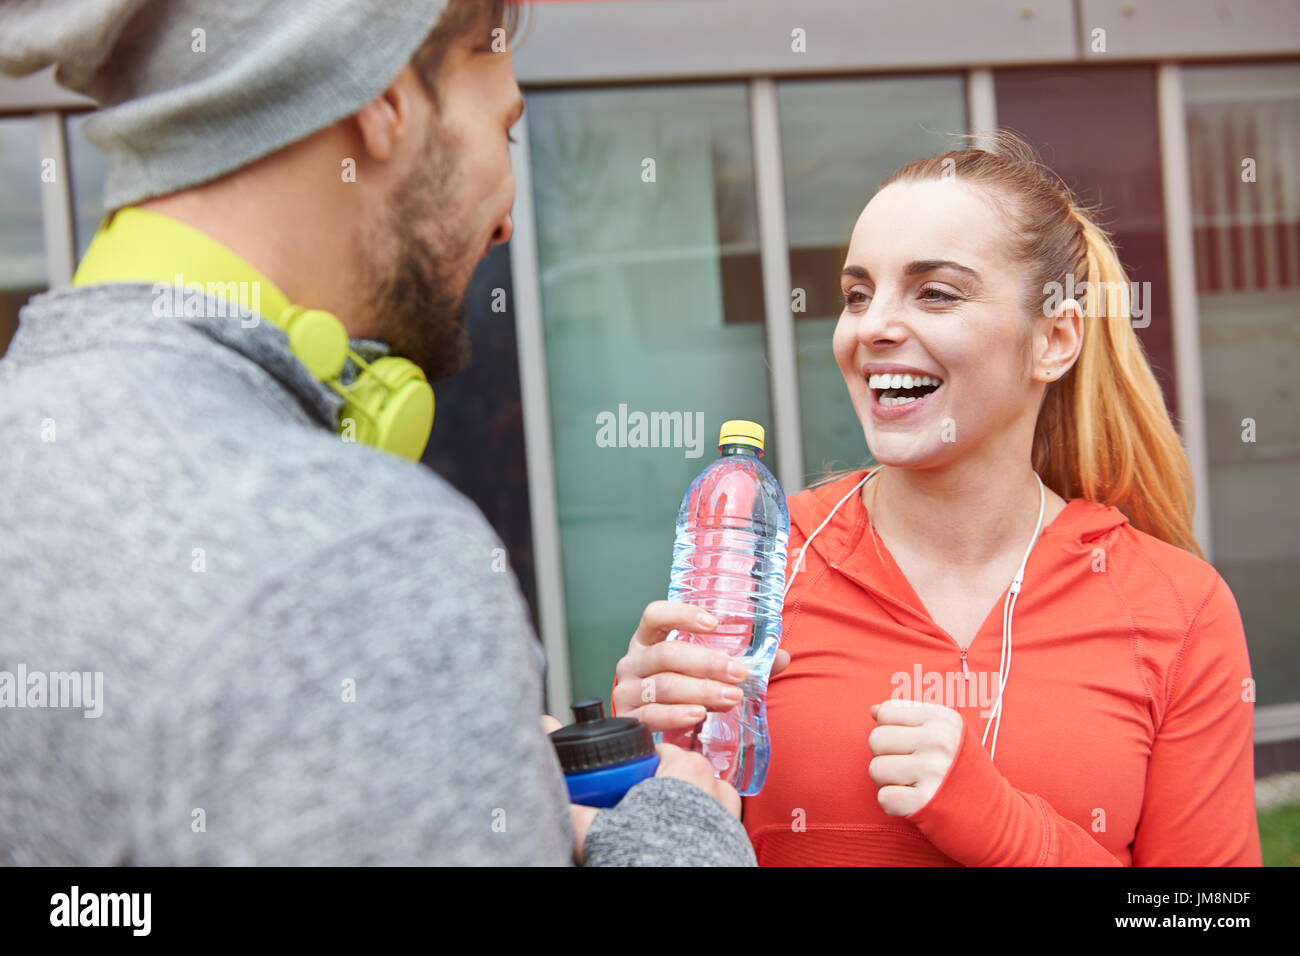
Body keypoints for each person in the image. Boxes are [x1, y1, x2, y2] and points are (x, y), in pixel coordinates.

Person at [0, 0, 755, 866]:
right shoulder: (358, 554)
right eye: (503, 129)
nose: (507, 218)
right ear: (385, 97)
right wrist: (682, 832)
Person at [612, 134, 1263, 866]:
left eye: (935, 293)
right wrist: (639, 762)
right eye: (857, 295)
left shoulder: (1178, 608)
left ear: (1053, 339)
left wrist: (1004, 829)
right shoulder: (760, 562)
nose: (873, 327)